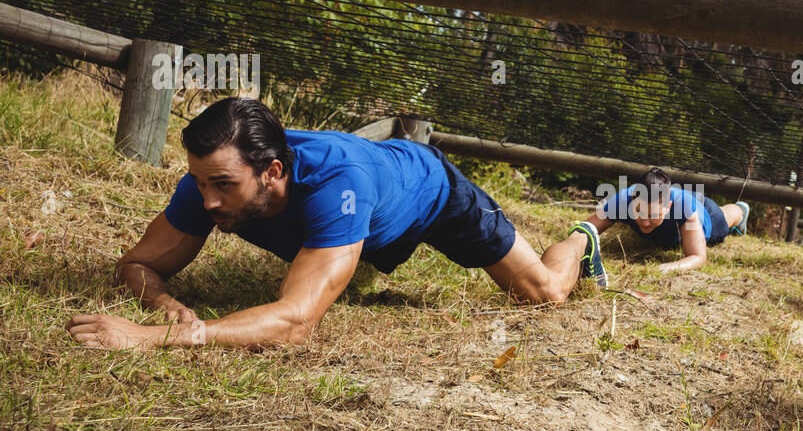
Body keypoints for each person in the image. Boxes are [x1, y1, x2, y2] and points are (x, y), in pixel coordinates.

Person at [67, 98, 607, 351]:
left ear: (272, 172)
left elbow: (295, 325)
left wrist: (156, 337)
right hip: (361, 212)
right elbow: (137, 263)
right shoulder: (207, 186)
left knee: (545, 293)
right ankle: (352, 259)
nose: (206, 201)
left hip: (432, 194)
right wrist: (163, 301)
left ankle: (580, 236)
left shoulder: (336, 184)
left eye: (223, 185)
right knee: (342, 269)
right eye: (200, 182)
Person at [583, 168, 749, 274]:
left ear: (668, 206)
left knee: (726, 217)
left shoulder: (684, 209)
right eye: (639, 212)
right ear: (633, 199)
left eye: (653, 216)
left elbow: (697, 256)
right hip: (681, 200)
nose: (645, 222)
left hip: (704, 213)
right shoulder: (622, 200)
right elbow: (587, 230)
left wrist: (664, 268)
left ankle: (741, 209)